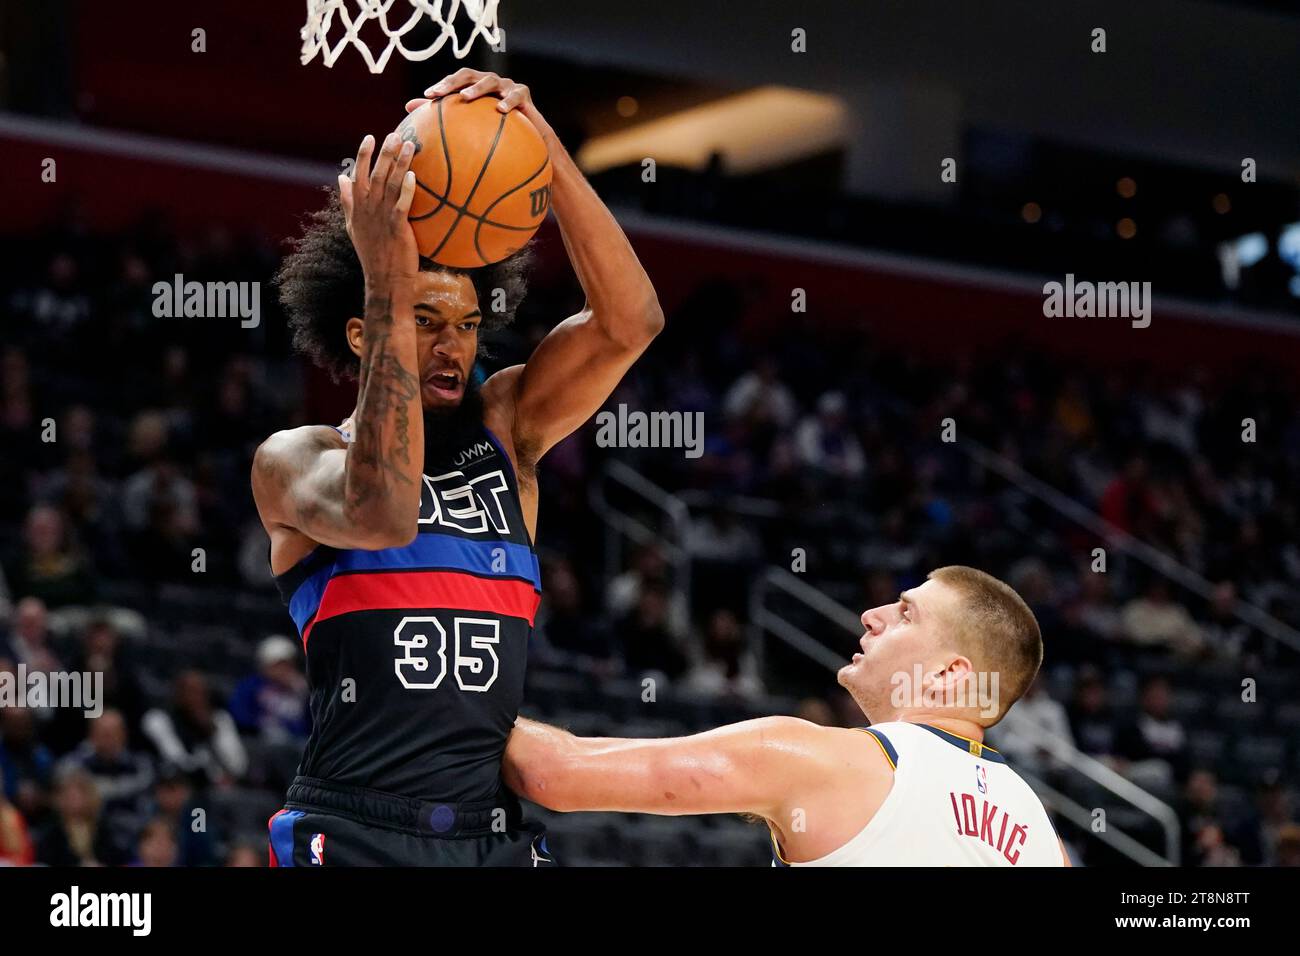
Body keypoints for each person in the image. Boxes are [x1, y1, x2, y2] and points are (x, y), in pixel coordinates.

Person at [254, 69, 662, 866]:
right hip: (356, 826)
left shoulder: (510, 427)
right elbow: (382, 514)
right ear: (366, 329)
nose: (452, 346)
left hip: (491, 831)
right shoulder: (296, 460)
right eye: (424, 318)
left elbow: (629, 321)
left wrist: (541, 147)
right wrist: (385, 276)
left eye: (469, 324)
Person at [505, 566, 1069, 866]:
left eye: (905, 614)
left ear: (950, 674)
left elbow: (553, 773)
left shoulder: (822, 759)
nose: (871, 616)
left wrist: (436, 682)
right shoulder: (1043, 833)